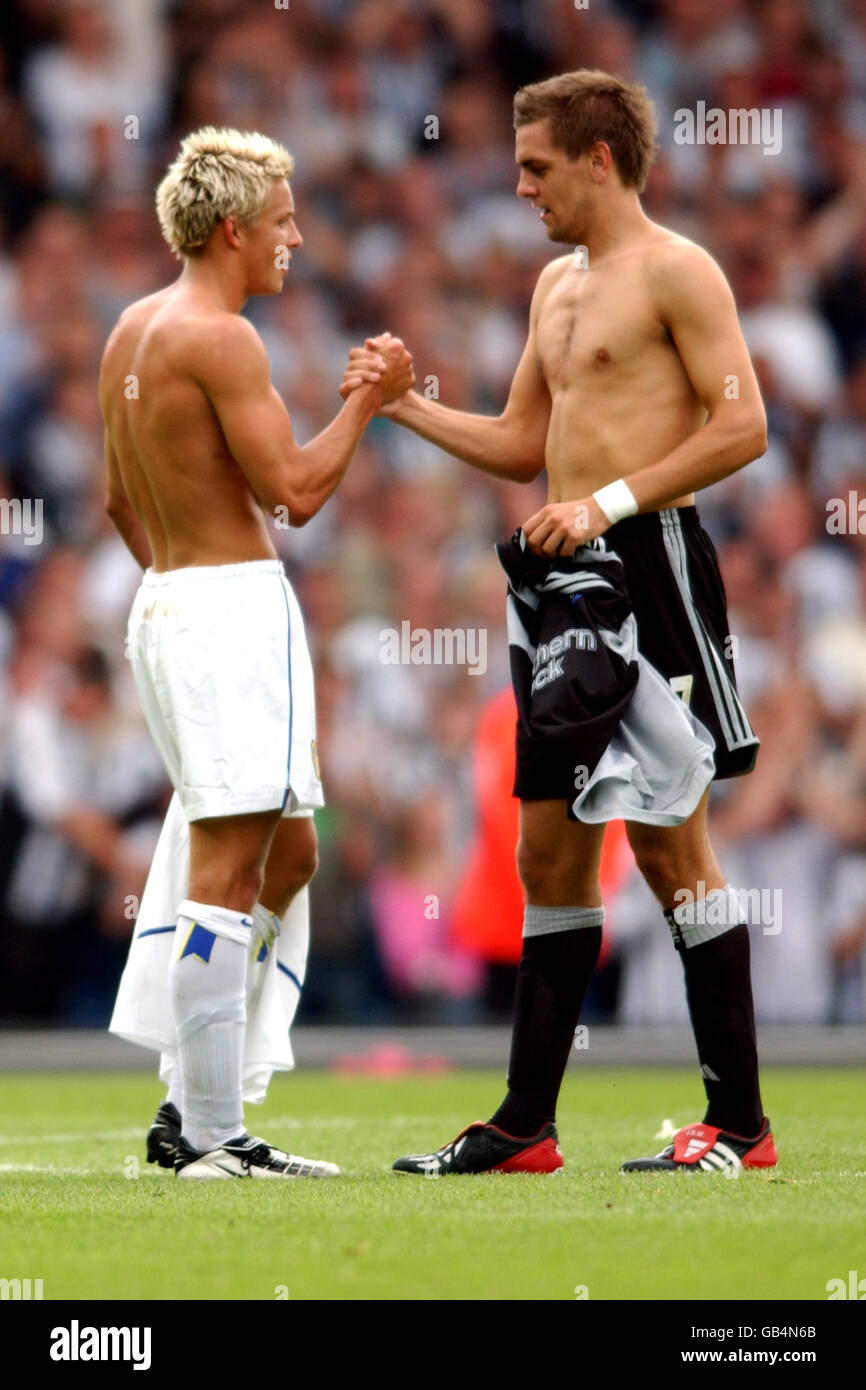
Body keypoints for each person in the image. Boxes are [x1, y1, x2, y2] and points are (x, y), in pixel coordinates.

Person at [345, 70, 778, 1177]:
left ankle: (739, 1125)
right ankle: (523, 1125)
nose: (520, 183)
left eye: (536, 165)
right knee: (547, 843)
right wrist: (402, 405)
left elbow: (742, 430)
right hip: (561, 577)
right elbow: (518, 441)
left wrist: (606, 501)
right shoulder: (555, 286)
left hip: (649, 560)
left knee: (670, 841)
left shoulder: (679, 271)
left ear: (597, 159)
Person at [99, 126, 413, 1179]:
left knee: (290, 852)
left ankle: (198, 1103)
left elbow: (113, 501)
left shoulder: (132, 329)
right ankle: (208, 1130)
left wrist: (180, 586)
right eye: (282, 221)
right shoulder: (222, 338)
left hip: (174, 600)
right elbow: (297, 493)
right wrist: (370, 397)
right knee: (229, 871)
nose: (296, 239)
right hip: (227, 609)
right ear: (232, 228)